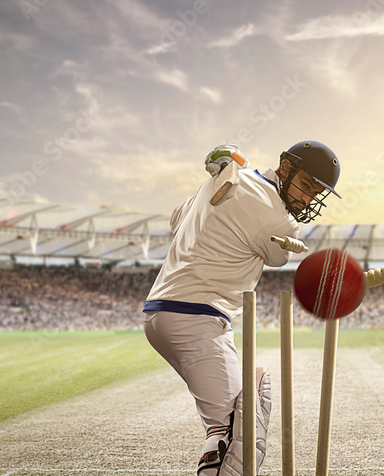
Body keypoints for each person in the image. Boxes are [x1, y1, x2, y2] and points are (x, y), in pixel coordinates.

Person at [142, 141, 341, 475]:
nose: (306, 199)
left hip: (161, 314)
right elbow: (279, 257)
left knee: (244, 411)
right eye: (305, 185)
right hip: (196, 316)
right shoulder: (277, 218)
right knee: (238, 435)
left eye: (314, 194)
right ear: (286, 168)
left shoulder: (220, 181)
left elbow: (177, 220)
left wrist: (220, 175)